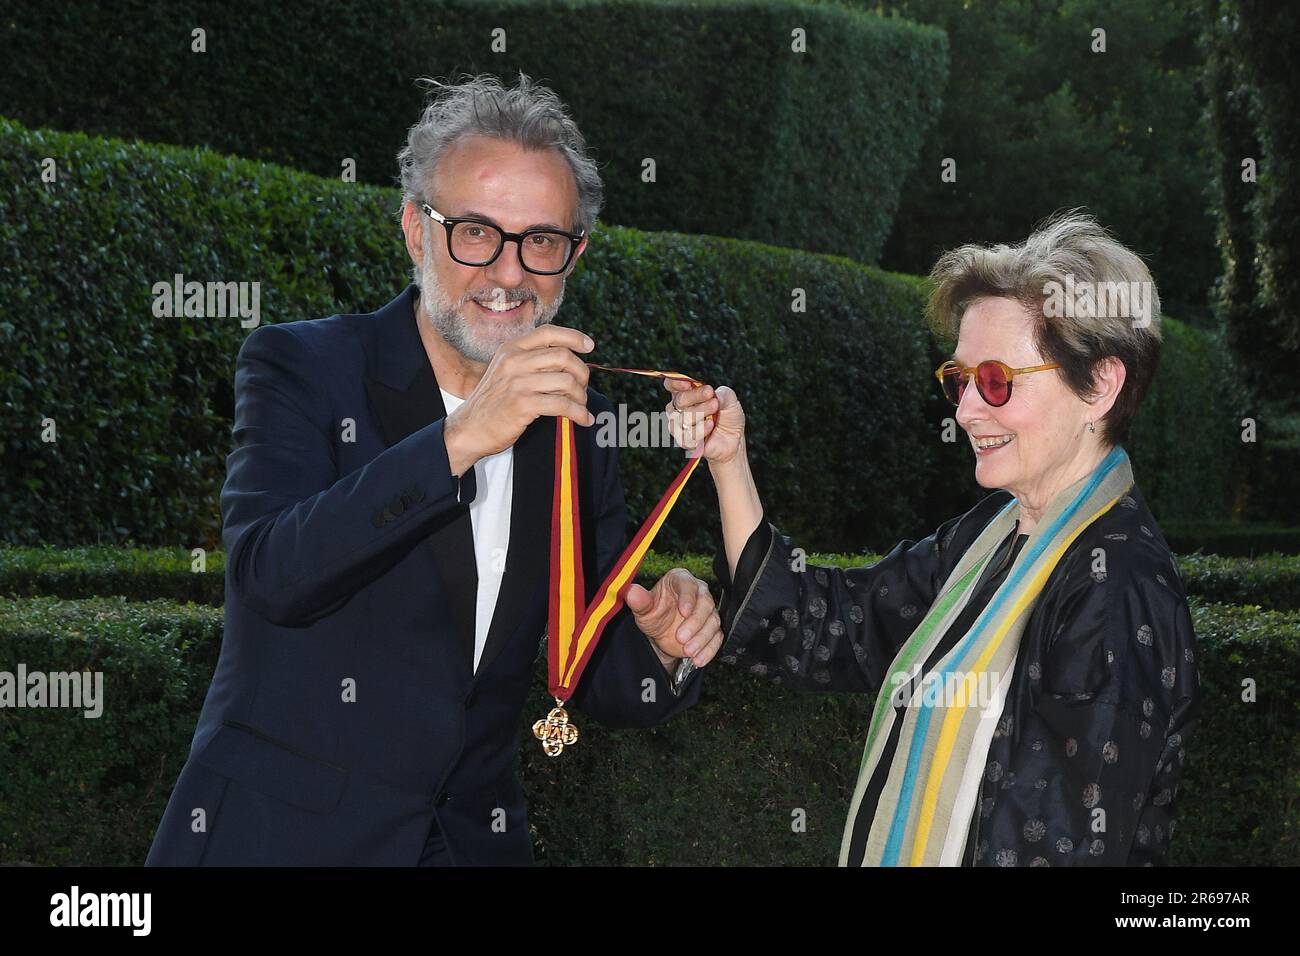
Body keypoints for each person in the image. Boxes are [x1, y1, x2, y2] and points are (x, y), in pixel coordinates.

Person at [146, 73, 723, 867]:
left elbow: (587, 674)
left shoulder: (574, 426)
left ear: (574, 255)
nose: (510, 273)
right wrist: (461, 438)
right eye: (476, 232)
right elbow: (269, 575)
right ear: (416, 229)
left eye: (541, 241)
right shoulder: (304, 364)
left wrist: (662, 640)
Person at [667, 211, 1200, 866]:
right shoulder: (994, 534)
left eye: (998, 381)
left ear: (1100, 386)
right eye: (960, 379)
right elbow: (831, 625)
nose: (967, 409)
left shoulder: (1115, 587)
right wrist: (728, 460)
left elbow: (1057, 849)